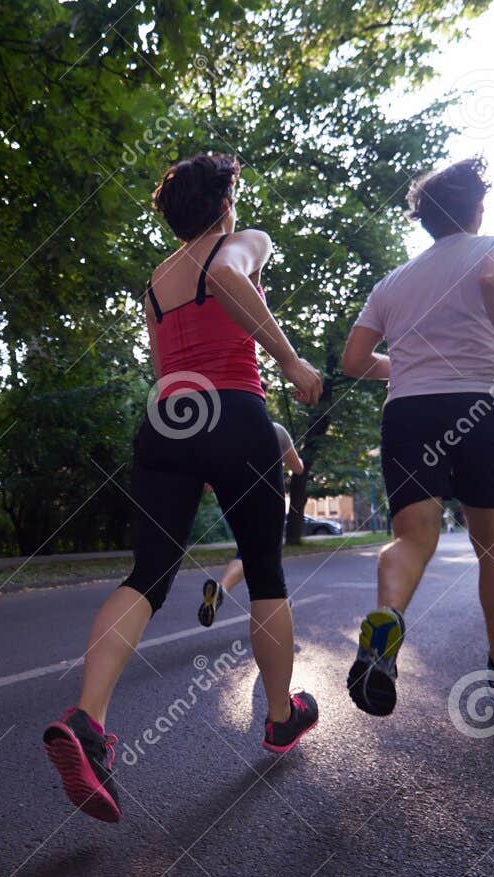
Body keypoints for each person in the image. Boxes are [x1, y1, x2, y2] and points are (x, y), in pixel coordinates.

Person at [41, 153, 323, 824]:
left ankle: (88, 718)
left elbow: (170, 368)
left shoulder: (157, 278)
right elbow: (227, 277)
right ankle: (281, 717)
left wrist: (235, 436)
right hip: (233, 409)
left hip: (169, 418)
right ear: (225, 203)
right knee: (264, 573)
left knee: (148, 572)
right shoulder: (241, 243)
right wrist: (288, 360)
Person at [340, 156, 494, 719]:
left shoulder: (393, 282)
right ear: (477, 209)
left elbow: (353, 361)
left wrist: (412, 367)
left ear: (425, 221)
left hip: (409, 412)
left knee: (412, 536)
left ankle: (387, 622)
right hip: (482, 406)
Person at [199, 420, 304, 627]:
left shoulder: (225, 431)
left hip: (233, 501)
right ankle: (276, 606)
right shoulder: (275, 430)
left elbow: (209, 484)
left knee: (249, 552)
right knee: (264, 557)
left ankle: (224, 589)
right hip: (267, 500)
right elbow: (298, 468)